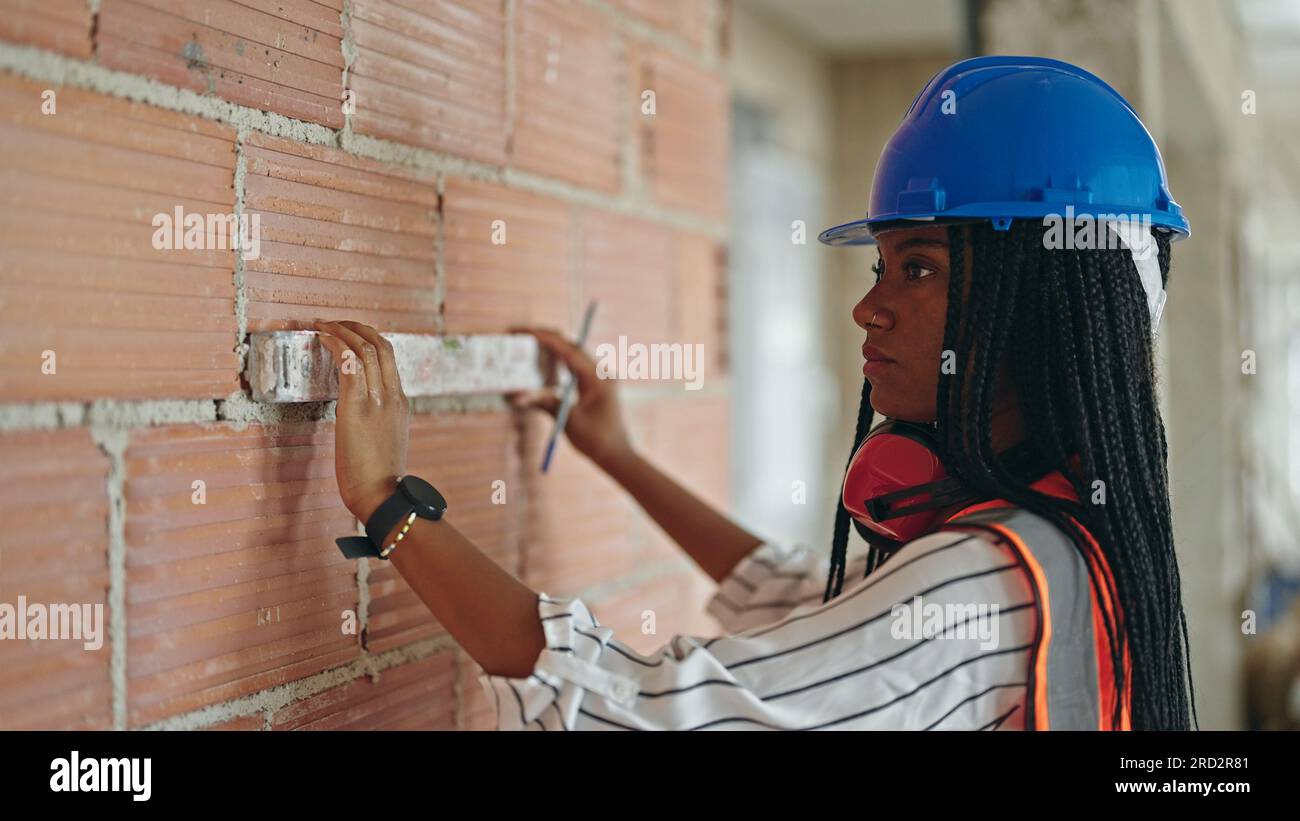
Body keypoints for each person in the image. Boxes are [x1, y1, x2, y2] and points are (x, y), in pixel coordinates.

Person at [314, 55, 1196, 730]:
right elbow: (812, 602)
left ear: (1040, 307)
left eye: (917, 267)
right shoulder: (1061, 539)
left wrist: (391, 503)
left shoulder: (987, 581)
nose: (867, 305)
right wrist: (620, 458)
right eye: (881, 264)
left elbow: (635, 710)